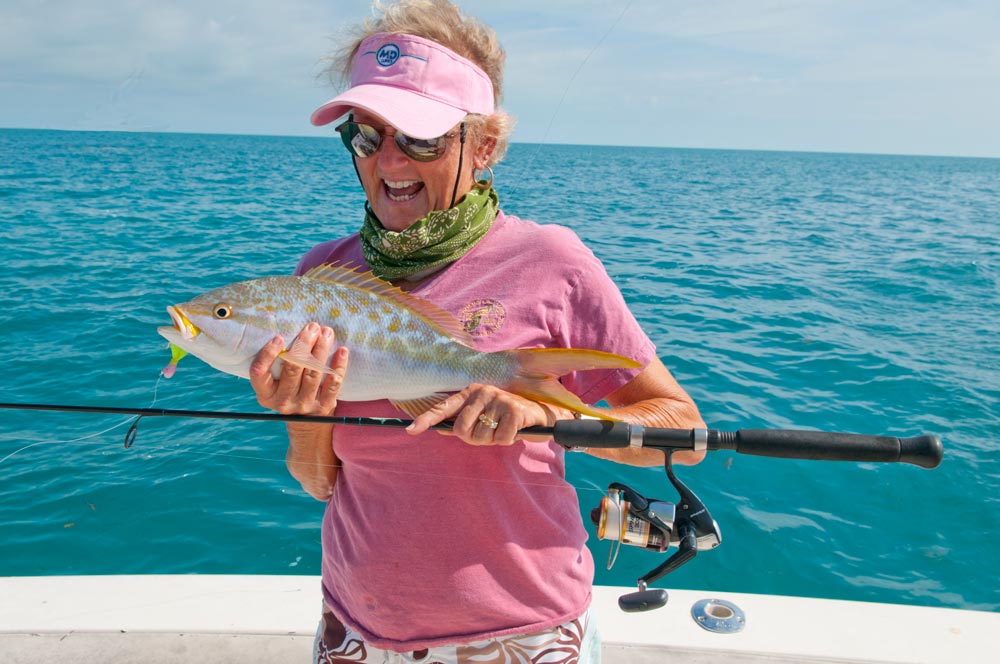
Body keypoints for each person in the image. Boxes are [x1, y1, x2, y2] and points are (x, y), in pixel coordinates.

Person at [249, 1, 705, 661]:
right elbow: (320, 482)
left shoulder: (552, 261)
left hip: (520, 634)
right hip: (355, 626)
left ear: (484, 146)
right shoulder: (322, 275)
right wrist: (302, 416)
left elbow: (683, 433)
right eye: (367, 135)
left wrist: (536, 415)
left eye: (421, 138)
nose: (390, 162)